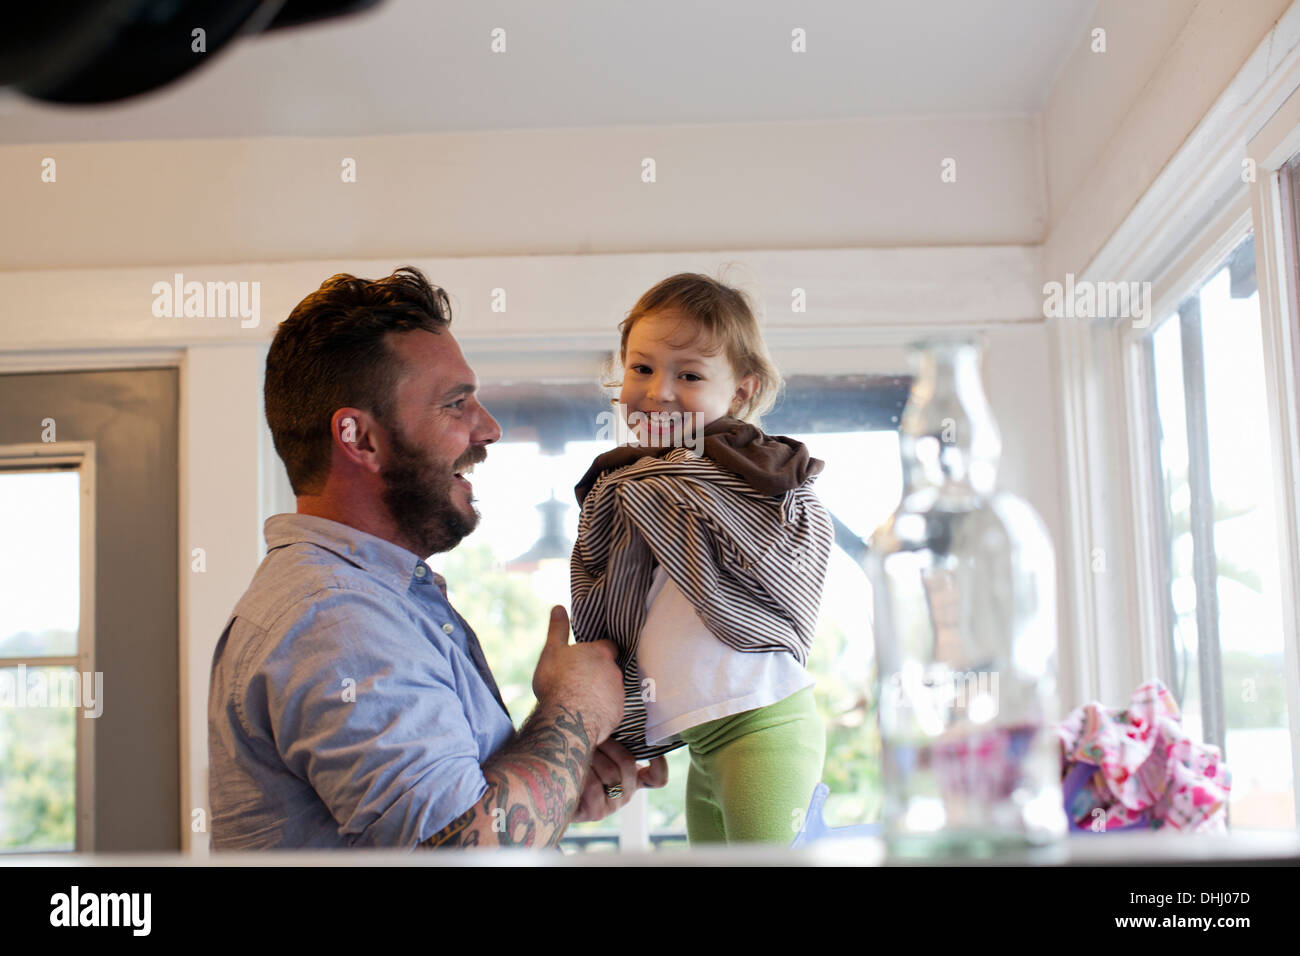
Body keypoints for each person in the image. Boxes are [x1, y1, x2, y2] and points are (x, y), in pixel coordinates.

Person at [207, 266, 667, 850]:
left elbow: (451, 827)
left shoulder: (371, 599)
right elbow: (458, 855)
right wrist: (574, 713)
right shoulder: (336, 619)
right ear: (359, 439)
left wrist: (558, 784)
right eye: (456, 404)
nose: (490, 430)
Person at [569, 273, 834, 844]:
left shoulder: (758, 476)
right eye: (642, 368)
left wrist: (653, 484)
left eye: (688, 374)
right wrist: (629, 725)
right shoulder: (630, 482)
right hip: (703, 743)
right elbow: (614, 604)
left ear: (740, 391)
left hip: (764, 724)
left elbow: (786, 563)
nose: (659, 391)